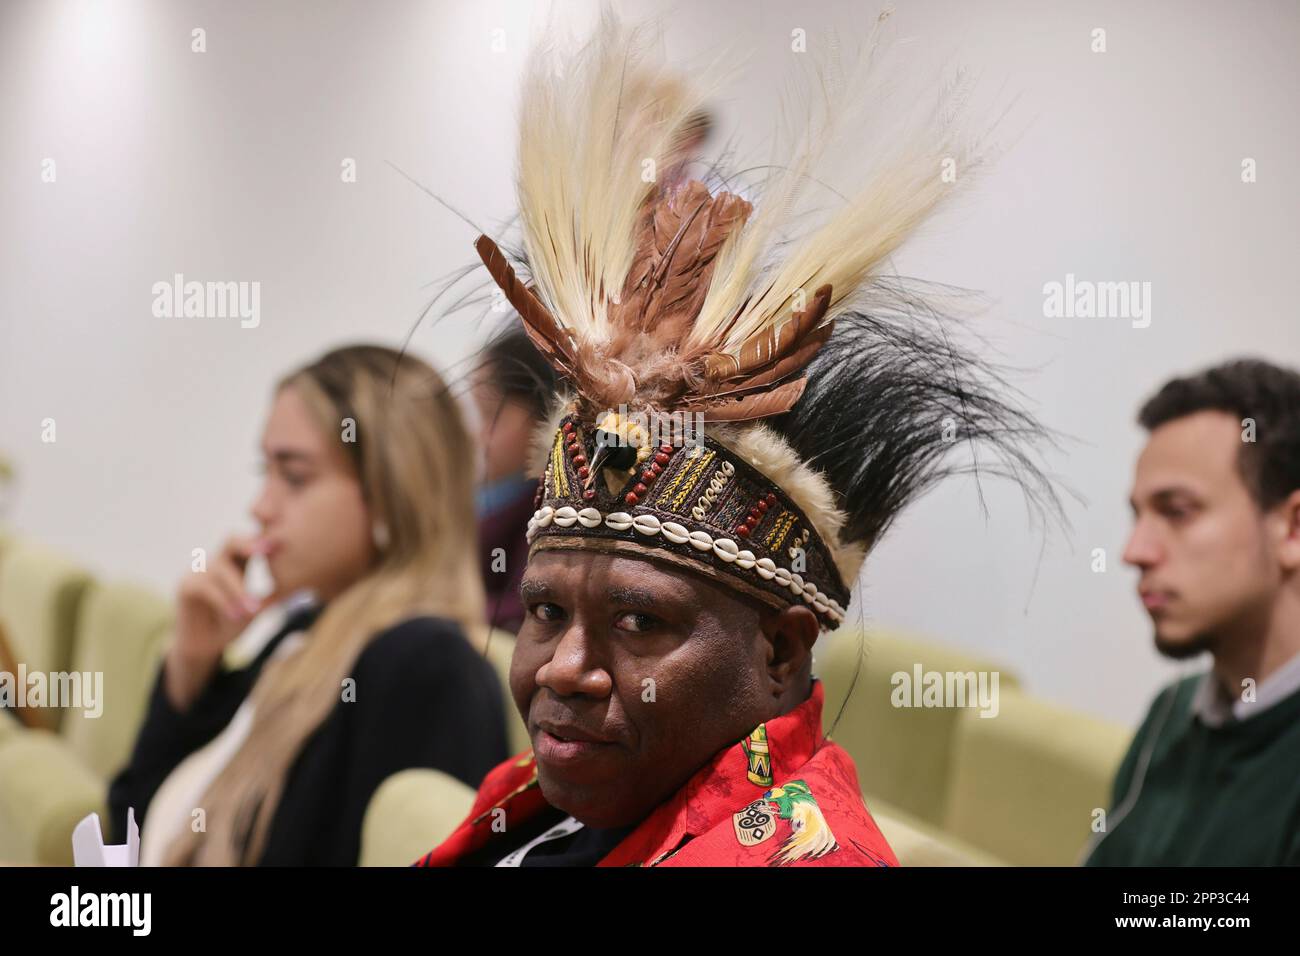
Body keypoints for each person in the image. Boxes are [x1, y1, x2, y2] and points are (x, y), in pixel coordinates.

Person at [413, 10, 1060, 867]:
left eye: (640, 620)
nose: (566, 667)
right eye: (544, 610)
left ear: (781, 651)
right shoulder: (540, 802)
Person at [109, 344, 509, 865]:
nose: (261, 507)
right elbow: (127, 826)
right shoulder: (302, 630)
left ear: (392, 492)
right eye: (265, 471)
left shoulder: (425, 667)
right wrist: (190, 663)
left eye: (294, 476)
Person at [1085, 359, 1300, 866]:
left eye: (1176, 511)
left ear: (1292, 530)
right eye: (1138, 516)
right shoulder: (1172, 711)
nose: (1134, 551)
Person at [469, 328, 555, 632]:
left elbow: (526, 611)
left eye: (491, 415)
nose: (479, 437)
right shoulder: (492, 509)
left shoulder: (552, 519)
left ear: (547, 412)